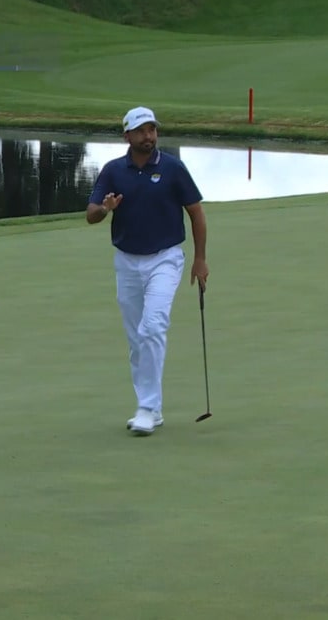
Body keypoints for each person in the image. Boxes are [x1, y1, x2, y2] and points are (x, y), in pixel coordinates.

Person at [87, 106, 209, 436]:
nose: (149, 136)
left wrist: (200, 259)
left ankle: (148, 408)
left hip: (165, 259)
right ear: (127, 135)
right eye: (142, 131)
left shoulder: (172, 168)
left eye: (152, 130)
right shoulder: (113, 171)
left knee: (153, 326)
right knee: (136, 339)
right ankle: (150, 409)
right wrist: (105, 209)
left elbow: (196, 213)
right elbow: (91, 214)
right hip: (126, 261)